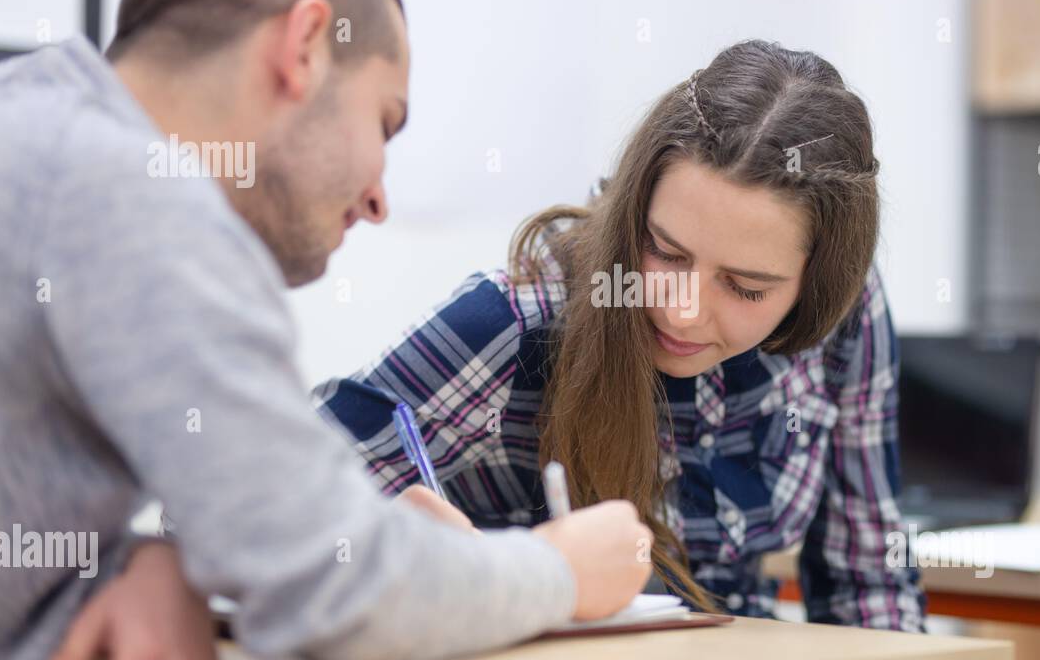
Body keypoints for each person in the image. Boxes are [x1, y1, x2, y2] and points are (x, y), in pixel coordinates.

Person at [0, 0, 650, 660]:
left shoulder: (33, 127)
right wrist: (559, 568)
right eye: (386, 120)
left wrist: (141, 559)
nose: (378, 199)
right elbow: (333, 588)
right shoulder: (139, 199)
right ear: (304, 46)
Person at [316, 40, 925, 628]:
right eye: (664, 251)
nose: (683, 312)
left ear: (813, 284)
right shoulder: (516, 319)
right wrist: (481, 565)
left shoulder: (848, 314)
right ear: (635, 206)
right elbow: (263, 502)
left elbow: (866, 583)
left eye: (745, 287)